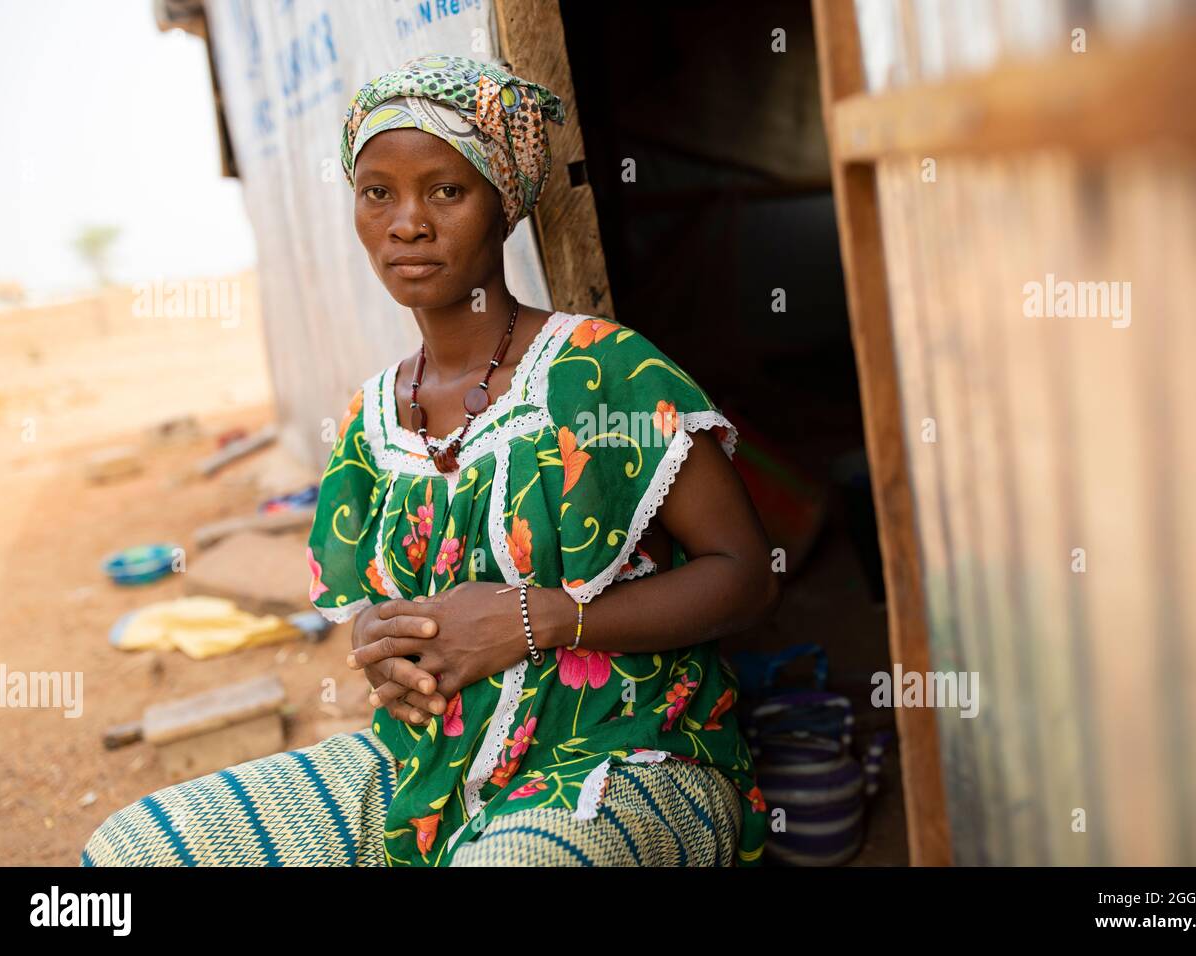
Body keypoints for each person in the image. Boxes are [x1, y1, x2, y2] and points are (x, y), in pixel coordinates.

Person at [82, 54, 778, 868]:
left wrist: (545, 618)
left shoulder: (600, 374)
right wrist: (386, 645)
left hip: (620, 756)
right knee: (137, 850)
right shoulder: (369, 421)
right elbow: (391, 629)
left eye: (446, 191)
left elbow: (748, 575)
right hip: (427, 770)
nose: (406, 222)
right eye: (378, 192)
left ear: (502, 205)